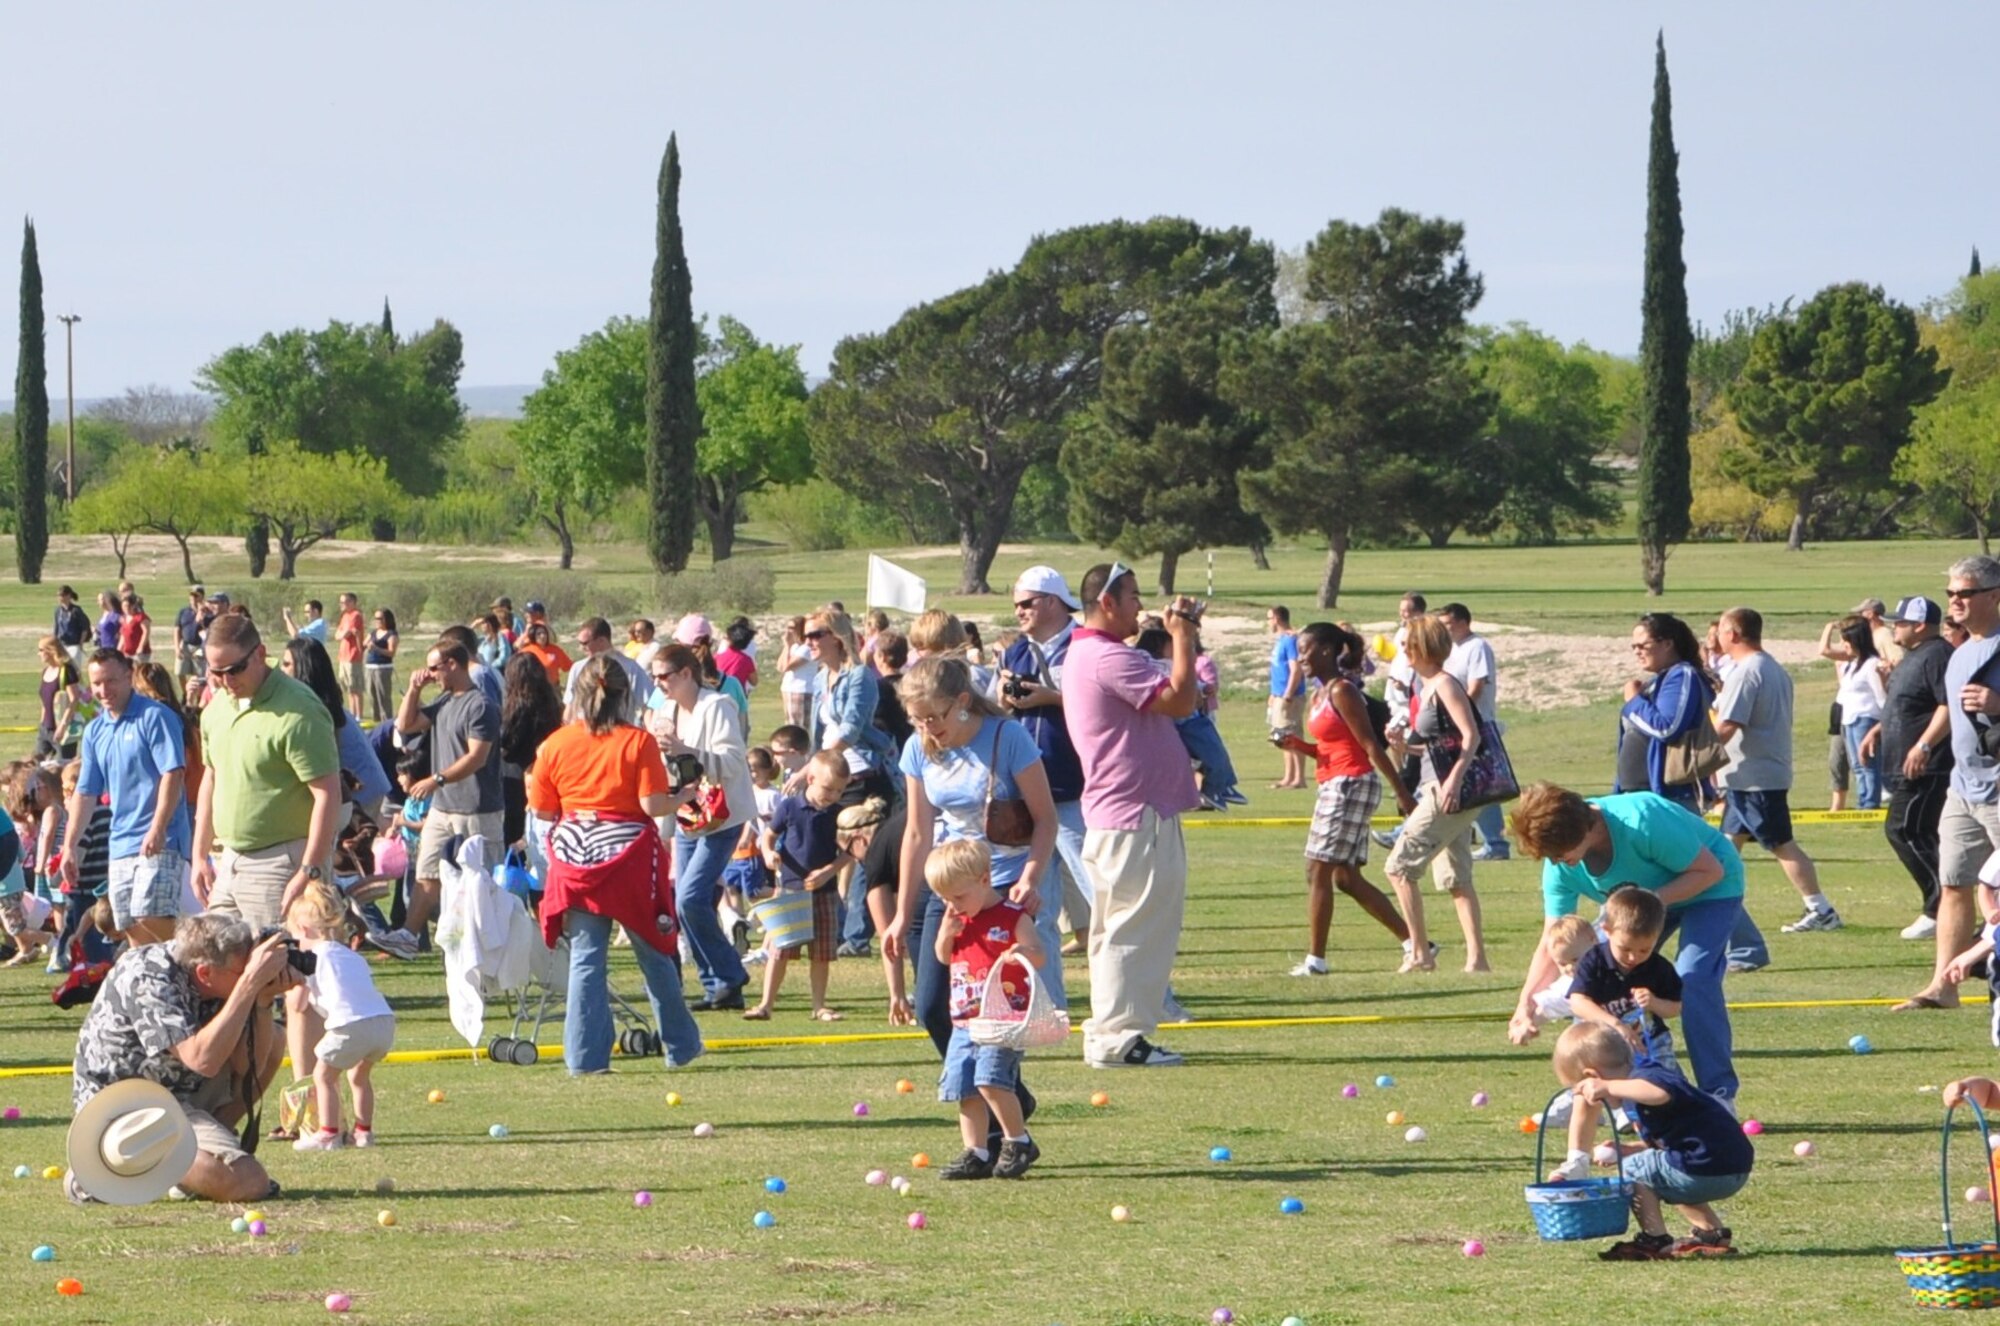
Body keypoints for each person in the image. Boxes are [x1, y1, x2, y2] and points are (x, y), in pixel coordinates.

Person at [1508, 783, 1747, 1105]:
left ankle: (1718, 1094)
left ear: (1581, 832)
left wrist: (1643, 903)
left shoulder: (1642, 820)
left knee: (1693, 976)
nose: (1556, 863)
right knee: (1591, 971)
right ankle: (1606, 1094)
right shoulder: (1560, 863)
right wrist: (1526, 1005)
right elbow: (1555, 942)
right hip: (1637, 909)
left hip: (1710, 889)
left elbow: (1710, 870)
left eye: (1558, 855)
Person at [527, 654, 703, 1073]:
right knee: (654, 952)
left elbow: (544, 811)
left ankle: (585, 1059)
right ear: (625, 694)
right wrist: (683, 797)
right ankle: (679, 1045)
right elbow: (651, 804)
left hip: (575, 862)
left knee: (587, 957)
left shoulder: (554, 744)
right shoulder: (637, 742)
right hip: (628, 862)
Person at [1065, 562, 1202, 1068]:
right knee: (1134, 930)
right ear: (1107, 602)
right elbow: (1181, 700)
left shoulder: (1090, 655)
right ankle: (1121, 1039)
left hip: (1125, 812)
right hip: (1134, 814)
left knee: (1118, 929)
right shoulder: (1106, 657)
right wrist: (1182, 638)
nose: (1139, 607)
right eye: (1132, 597)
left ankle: (1113, 1032)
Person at [888, 654, 1063, 1040]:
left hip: (1003, 882)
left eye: (935, 717)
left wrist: (1031, 879)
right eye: (918, 720)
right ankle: (996, 1098)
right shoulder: (918, 748)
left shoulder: (1008, 736)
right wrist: (901, 915)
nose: (928, 729)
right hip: (950, 883)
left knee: (997, 1004)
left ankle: (996, 1096)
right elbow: (918, 833)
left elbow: (1046, 819)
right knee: (934, 1006)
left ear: (962, 702)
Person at [70, 915, 297, 1203]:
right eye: (243, 972)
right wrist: (248, 986)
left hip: (178, 1098)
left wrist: (261, 1002)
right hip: (125, 1109)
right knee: (248, 1183)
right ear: (204, 973)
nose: (251, 977)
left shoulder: (220, 971)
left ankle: (198, 1153)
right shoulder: (147, 975)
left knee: (275, 1036)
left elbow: (245, 1066)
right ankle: (108, 1165)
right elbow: (203, 1060)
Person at [1278, 622, 1415, 975]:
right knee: (1345, 879)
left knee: (1316, 869)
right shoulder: (1318, 695)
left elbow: (1369, 744)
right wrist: (1297, 746)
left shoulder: (1343, 692)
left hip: (1351, 784)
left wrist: (1401, 792)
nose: (1300, 658)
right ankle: (1416, 943)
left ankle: (1316, 961)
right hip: (1332, 782)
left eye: (1305, 649)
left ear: (1326, 651)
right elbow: (1328, 748)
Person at [1550, 1023, 1753, 1260]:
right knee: (1662, 1171)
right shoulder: (1636, 1080)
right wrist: (1621, 1150)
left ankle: (1654, 1239)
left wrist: (1608, 1086)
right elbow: (1678, 1138)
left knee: (1638, 1169)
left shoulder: (1648, 1077)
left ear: (1593, 1077)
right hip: (1727, 1165)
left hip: (1710, 1167)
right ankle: (1711, 1233)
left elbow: (1659, 1094)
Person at [193, 615, 342, 933]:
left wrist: (309, 870)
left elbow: (327, 793)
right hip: (228, 860)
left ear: (260, 654)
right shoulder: (218, 706)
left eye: (235, 669)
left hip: (282, 862)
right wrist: (199, 855)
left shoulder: (300, 710)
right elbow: (211, 779)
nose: (226, 680)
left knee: (283, 970)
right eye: (217, 673)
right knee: (214, 966)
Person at [1900, 556, 2000, 1013]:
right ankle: (1944, 986)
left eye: (1965, 593)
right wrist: (1924, 744)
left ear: (1994, 596)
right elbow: (1952, 711)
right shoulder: (1960, 652)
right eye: (1951, 594)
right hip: (1963, 788)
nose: (1955, 602)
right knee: (1954, 883)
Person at [1712, 606, 1832, 961]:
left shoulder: (1748, 672)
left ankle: (1820, 908)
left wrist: (1693, 756)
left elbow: (1728, 723)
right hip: (1747, 777)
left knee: (1780, 844)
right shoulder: (1771, 668)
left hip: (1756, 778)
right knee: (1723, 848)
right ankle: (1714, 902)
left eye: (1720, 629)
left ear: (1733, 633)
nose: (1716, 635)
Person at [370, 640, 501, 960]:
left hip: (476, 808)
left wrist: (436, 779)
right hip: (442, 808)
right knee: (427, 872)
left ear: (454, 664)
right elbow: (404, 726)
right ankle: (408, 937)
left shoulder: (480, 706)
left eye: (434, 668)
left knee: (481, 881)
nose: (430, 674)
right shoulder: (443, 702)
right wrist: (414, 689)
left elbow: (477, 757)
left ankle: (492, 944)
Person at [649, 643, 757, 1012]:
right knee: (688, 904)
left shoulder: (717, 706)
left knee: (690, 899)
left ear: (686, 674)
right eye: (655, 676)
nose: (658, 682)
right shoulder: (666, 710)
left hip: (722, 816)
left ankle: (728, 975)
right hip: (687, 814)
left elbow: (731, 761)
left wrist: (684, 749)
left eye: (664, 675)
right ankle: (720, 986)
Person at [929, 838, 1045, 1180]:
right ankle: (976, 1151)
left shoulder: (1011, 916)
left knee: (991, 1081)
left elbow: (1039, 954)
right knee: (964, 1088)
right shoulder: (956, 918)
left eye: (959, 897)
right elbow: (943, 957)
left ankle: (1017, 1140)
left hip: (1001, 1020)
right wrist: (946, 934)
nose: (953, 905)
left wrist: (1021, 952)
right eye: (945, 898)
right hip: (964, 1021)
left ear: (984, 879)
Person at [1382, 614, 1489, 973]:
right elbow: (1434, 748)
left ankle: (1420, 954)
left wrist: (1455, 781)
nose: (1403, 651)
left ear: (1423, 648)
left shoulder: (1446, 684)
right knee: (1456, 878)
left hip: (1448, 790)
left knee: (1399, 868)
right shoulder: (1424, 687)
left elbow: (1471, 736)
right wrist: (1399, 746)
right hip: (1437, 783)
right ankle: (1477, 961)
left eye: (1408, 645)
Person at [63, 649, 191, 947]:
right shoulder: (95, 730)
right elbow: (86, 792)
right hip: (120, 842)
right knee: (127, 924)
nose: (104, 690)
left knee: (151, 914)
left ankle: (197, 962)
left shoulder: (155, 717)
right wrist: (69, 845)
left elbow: (174, 773)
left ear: (129, 675)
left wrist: (158, 828)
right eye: (96, 683)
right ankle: (153, 986)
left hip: (161, 840)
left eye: (111, 681)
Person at [1000, 565, 1093, 960]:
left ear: (1053, 602)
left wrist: (1051, 698)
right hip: (1030, 797)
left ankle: (1153, 997)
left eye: (1027, 603)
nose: (1019, 611)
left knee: (1102, 895)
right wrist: (1006, 698)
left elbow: (1104, 707)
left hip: (1076, 790)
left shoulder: (1085, 646)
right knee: (1035, 909)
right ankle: (1047, 1007)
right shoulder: (1014, 650)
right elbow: (996, 712)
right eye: (1017, 604)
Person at [1866, 597, 1953, 955]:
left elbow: (1947, 706)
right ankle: (1943, 905)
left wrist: (1924, 746)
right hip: (1904, 761)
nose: (1894, 627)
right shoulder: (1913, 656)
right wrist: (1878, 729)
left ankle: (1939, 907)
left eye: (1900, 622)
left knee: (1905, 829)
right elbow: (1906, 703)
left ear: (1919, 625)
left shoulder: (1937, 655)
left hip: (1927, 766)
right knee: (1915, 831)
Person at [284, 880, 395, 1152]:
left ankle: (328, 1134)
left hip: (350, 1024)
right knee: (358, 1077)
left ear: (302, 929)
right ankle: (364, 1133)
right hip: (383, 1021)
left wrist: (293, 984)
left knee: (323, 1076)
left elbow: (298, 1005)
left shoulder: (312, 958)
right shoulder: (351, 955)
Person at [746, 750, 850, 1021]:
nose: (832, 796)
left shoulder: (838, 815)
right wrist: (769, 854)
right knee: (779, 950)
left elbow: (850, 853)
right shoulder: (789, 807)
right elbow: (768, 837)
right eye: (828, 788)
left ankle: (819, 1005)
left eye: (839, 791)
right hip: (790, 889)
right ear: (811, 778)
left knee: (822, 953)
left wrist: (829, 872)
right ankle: (766, 1004)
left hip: (824, 892)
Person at [1564, 885, 1684, 1073]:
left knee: (1664, 1089)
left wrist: (1654, 1003)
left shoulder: (1659, 967)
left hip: (1649, 1042)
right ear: (1607, 930)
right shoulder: (1594, 960)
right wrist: (1615, 1025)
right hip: (1601, 1044)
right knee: (1591, 1086)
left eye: (1644, 950)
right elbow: (1578, 1002)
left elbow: (1675, 1007)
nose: (1633, 957)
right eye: (1625, 948)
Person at [282, 638, 391, 825]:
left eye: (286, 664)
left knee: (343, 848)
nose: (281, 671)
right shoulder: (323, 701)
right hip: (366, 785)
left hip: (362, 790)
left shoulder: (317, 710)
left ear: (303, 668)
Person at [1618, 613, 1720, 808]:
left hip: (1669, 797)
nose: (1637, 652)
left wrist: (1633, 701)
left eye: (1643, 646)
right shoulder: (1659, 681)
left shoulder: (1682, 676)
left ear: (1667, 644)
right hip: (1643, 795)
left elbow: (1667, 728)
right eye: (1634, 647)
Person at [801, 607, 896, 803]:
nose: (808, 642)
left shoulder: (859, 676)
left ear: (836, 637)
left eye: (815, 635)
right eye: (805, 636)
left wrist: (812, 767)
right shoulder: (820, 679)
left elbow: (850, 729)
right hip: (827, 776)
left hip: (859, 773)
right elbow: (820, 731)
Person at [1437, 603, 1508, 861]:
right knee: (1474, 785)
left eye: (1448, 624)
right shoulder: (1452, 650)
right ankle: (1485, 840)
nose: (1445, 630)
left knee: (1484, 785)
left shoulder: (1477, 647)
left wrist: (1460, 712)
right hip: (1458, 725)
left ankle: (1496, 843)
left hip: (1477, 724)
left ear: (1464, 623)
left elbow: (1476, 685)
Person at [835, 797, 911, 1024]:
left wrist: (896, 995)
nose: (855, 860)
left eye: (850, 852)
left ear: (859, 839)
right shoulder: (896, 824)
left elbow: (888, 939)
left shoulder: (875, 857)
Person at [1821, 615, 1889, 811]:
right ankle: (1863, 801)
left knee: (1867, 764)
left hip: (1866, 719)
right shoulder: (1851, 664)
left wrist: (1880, 725)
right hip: (1848, 719)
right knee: (1857, 766)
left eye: (1846, 640)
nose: (1844, 645)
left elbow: (1882, 698)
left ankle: (1870, 804)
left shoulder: (1872, 665)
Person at [499, 653, 565, 850]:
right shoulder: (552, 702)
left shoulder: (517, 707)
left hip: (516, 772)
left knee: (513, 828)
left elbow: (510, 747)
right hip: (544, 767)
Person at [565, 617, 653, 716]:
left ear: (602, 641)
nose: (581, 648)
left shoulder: (630, 667)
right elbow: (569, 705)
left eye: (585, 643)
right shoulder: (578, 668)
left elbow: (653, 699)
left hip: (620, 729)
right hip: (583, 729)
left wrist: (653, 723)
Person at [1266, 606, 1306, 789]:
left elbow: (1295, 669)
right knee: (1281, 737)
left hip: (1289, 696)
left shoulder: (1290, 640)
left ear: (1276, 618)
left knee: (1291, 735)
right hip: (1279, 694)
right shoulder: (1281, 640)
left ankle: (1299, 778)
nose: (1268, 623)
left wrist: (1289, 693)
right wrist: (1273, 693)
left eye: (1269, 618)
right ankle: (1288, 776)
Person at [35, 634, 86, 762]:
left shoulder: (67, 671)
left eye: (41, 650)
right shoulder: (45, 671)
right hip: (45, 728)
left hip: (64, 730)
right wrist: (42, 724)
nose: (38, 654)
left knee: (63, 767)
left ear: (51, 651)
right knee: (38, 767)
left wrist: (63, 726)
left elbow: (74, 699)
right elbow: (45, 701)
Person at [779, 616, 821, 729]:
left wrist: (787, 646)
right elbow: (780, 666)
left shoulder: (806, 649)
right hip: (789, 689)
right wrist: (787, 646)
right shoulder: (796, 647)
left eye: (792, 628)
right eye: (787, 627)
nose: (789, 631)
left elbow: (787, 667)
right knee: (790, 725)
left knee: (800, 727)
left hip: (802, 690)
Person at [364, 608, 400, 723]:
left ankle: (387, 721)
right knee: (372, 696)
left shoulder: (391, 634)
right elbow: (364, 643)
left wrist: (377, 648)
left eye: (380, 618)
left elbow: (391, 652)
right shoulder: (373, 633)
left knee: (383, 696)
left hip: (383, 668)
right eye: (376, 618)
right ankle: (376, 720)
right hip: (370, 667)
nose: (377, 621)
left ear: (386, 619)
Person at [334, 593, 366, 720]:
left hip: (353, 655)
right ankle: (353, 713)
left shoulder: (356, 615)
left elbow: (345, 634)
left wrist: (343, 633)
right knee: (347, 686)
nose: (342, 605)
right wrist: (342, 633)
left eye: (345, 602)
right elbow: (337, 634)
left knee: (355, 686)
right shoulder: (345, 616)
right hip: (343, 656)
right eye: (341, 602)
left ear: (352, 602)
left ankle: (359, 715)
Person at [516, 621, 571, 687]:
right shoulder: (526, 651)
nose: (542, 636)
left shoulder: (555, 650)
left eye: (544, 633)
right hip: (534, 689)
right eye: (538, 634)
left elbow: (569, 667)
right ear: (533, 635)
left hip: (553, 688)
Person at [54, 585, 91, 671]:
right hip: (62, 645)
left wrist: (81, 643)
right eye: (58, 595)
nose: (60, 598)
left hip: (74, 645)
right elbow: (56, 628)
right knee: (62, 670)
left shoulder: (76, 610)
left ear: (69, 596)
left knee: (74, 670)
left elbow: (85, 627)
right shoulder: (58, 611)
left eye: (62, 595)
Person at [716, 617, 759, 691]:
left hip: (719, 694)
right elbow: (754, 681)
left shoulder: (717, 657)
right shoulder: (746, 660)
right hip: (738, 696)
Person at [117, 593, 153, 664]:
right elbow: (123, 636)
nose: (126, 608)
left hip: (140, 654)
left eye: (128, 606)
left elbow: (146, 632)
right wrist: (118, 650)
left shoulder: (141, 617)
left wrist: (140, 647)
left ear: (133, 605)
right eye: (124, 606)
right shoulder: (124, 618)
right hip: (127, 653)